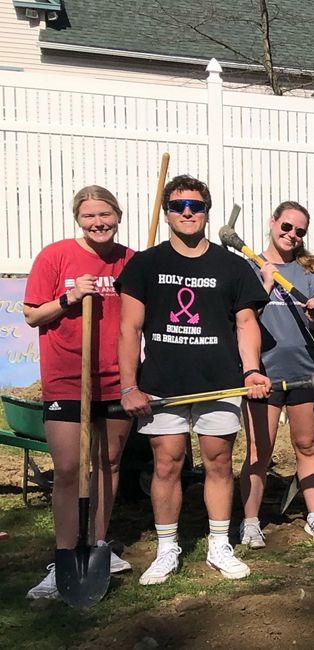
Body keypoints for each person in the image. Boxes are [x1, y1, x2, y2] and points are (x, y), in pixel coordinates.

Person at [117, 175, 270, 584]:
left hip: (219, 382)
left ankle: (219, 543)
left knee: (218, 463)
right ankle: (167, 549)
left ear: (207, 211)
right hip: (162, 384)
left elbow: (245, 323)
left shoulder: (232, 266)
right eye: (179, 205)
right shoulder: (144, 265)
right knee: (167, 464)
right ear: (166, 212)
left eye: (196, 206)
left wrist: (252, 369)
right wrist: (129, 385)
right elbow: (129, 329)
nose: (187, 212)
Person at [23, 186, 136, 599]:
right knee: (69, 468)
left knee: (108, 464)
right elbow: (33, 313)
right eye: (89, 216)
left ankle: (98, 544)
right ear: (78, 220)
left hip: (115, 378)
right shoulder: (54, 256)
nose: (98, 222)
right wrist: (69, 297)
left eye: (105, 214)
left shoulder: (129, 261)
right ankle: (66, 555)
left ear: (118, 215)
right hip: (68, 378)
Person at [239, 202, 314, 546]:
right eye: (287, 227)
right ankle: (250, 522)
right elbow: (242, 317)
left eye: (300, 231)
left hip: (305, 372)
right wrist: (264, 285)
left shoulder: (311, 272)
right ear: (272, 222)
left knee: (306, 445)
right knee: (258, 451)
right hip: (262, 372)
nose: (292, 235)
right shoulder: (248, 267)